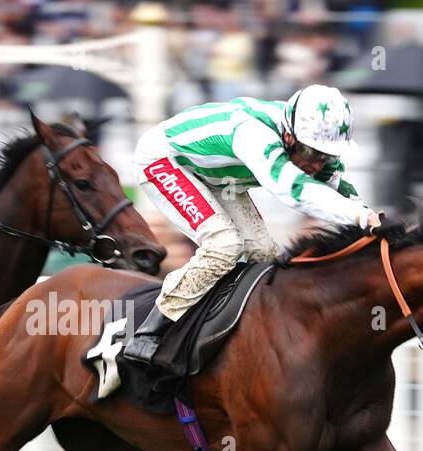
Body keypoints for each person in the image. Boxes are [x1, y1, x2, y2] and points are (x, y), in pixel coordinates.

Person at [122, 84, 381, 365]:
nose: (317, 165)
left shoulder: (306, 142)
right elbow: (292, 190)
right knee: (225, 246)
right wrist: (360, 218)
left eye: (326, 157)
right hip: (164, 161)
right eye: (311, 155)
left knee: (263, 253)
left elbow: (337, 188)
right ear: (288, 136)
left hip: (217, 177)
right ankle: (151, 330)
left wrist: (371, 216)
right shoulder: (254, 135)